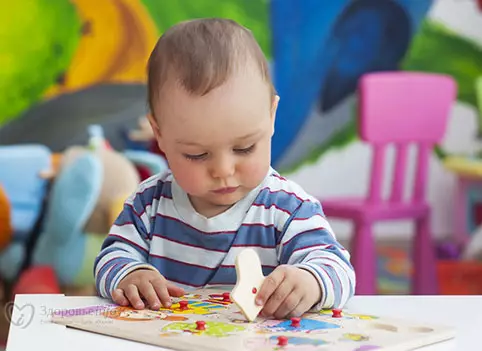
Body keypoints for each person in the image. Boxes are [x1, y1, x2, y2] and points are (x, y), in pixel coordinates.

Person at [94, 18, 355, 320]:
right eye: (197, 154)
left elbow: (337, 268)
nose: (223, 169)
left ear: (271, 116)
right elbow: (109, 259)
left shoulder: (288, 208)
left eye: (244, 148)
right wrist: (130, 275)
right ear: (160, 133)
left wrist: (310, 282)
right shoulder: (148, 203)